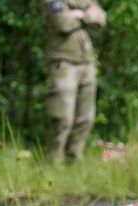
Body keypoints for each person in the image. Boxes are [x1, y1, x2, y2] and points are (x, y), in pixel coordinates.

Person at [44, 0, 107, 164]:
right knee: (62, 116)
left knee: (86, 117)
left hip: (86, 63)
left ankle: (74, 159)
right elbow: (62, 23)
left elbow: (100, 18)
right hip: (63, 63)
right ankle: (53, 161)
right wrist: (87, 15)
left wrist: (78, 14)